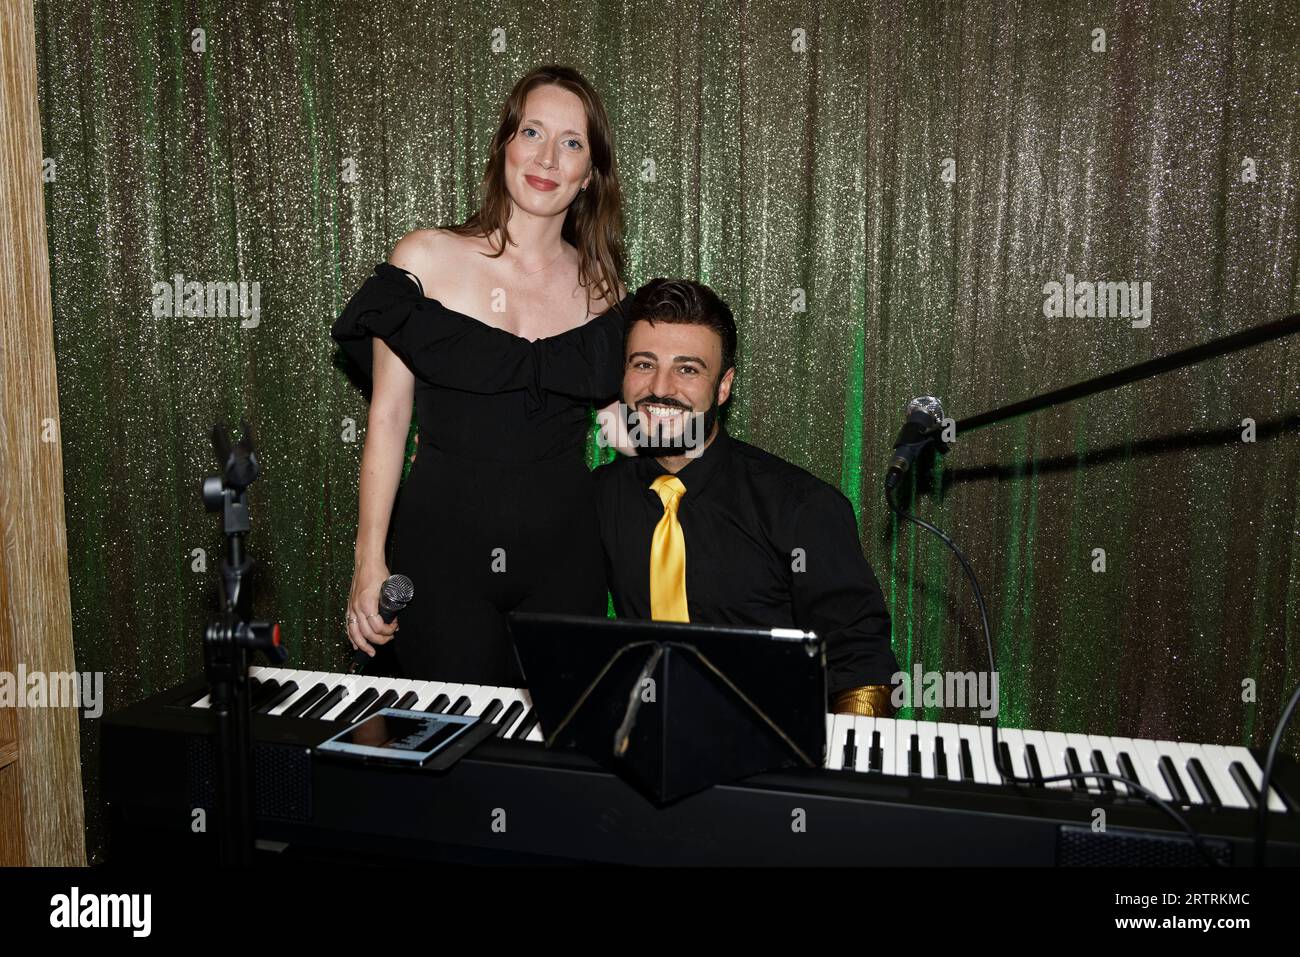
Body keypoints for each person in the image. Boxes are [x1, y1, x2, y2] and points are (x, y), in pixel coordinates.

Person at [331, 65, 629, 687]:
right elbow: (388, 419)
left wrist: (681, 431)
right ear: (504, 147)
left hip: (565, 564)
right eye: (532, 132)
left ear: (590, 174)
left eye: (571, 142)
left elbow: (610, 422)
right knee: (448, 759)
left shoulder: (604, 289)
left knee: (551, 766)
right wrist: (368, 561)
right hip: (442, 559)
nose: (548, 157)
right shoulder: (425, 260)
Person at [592, 279, 899, 715]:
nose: (660, 388)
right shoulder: (603, 497)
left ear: (723, 386)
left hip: (769, 754)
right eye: (644, 364)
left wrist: (831, 774)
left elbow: (861, 665)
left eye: (687, 369)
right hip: (642, 739)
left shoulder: (801, 507)